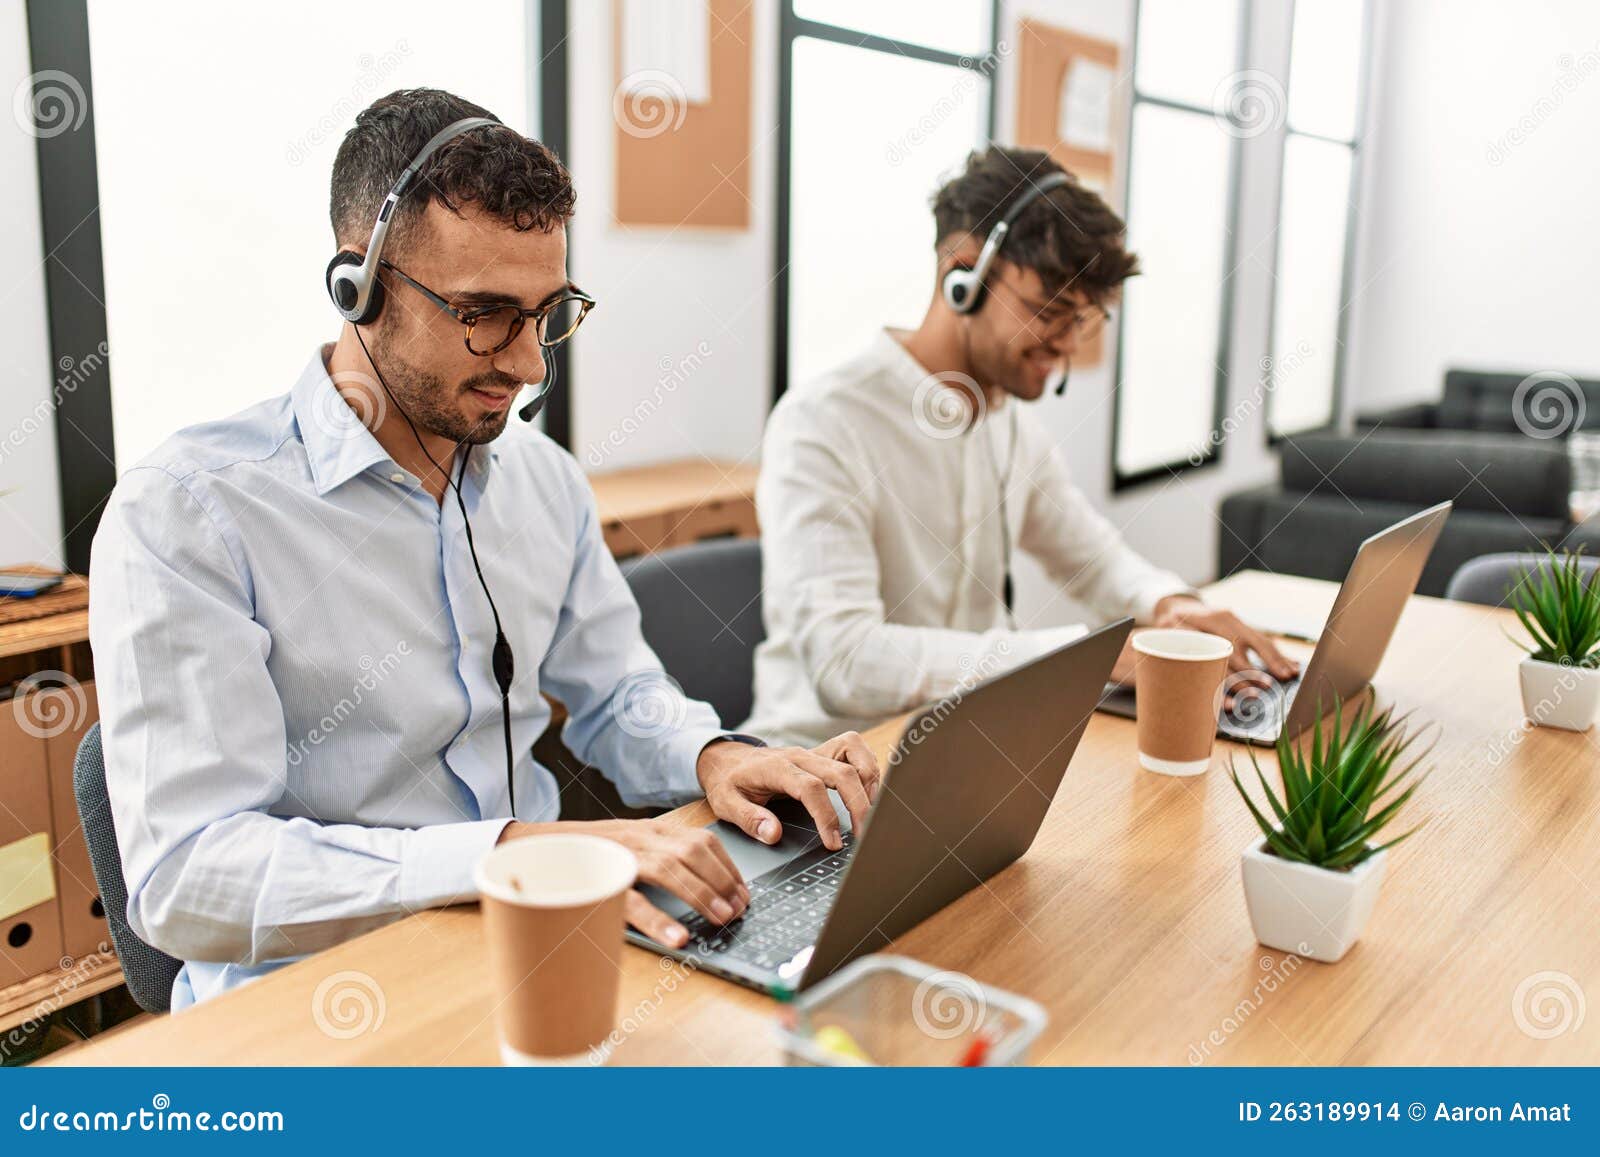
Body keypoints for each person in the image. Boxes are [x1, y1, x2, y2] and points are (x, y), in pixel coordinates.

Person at [87, 89, 878, 1008]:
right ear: (359, 288)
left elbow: (618, 692)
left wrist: (714, 755)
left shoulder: (540, 480)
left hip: (544, 945)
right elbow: (189, 875)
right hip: (318, 1003)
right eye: (485, 313)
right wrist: (507, 855)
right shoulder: (187, 514)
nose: (532, 362)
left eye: (548, 312)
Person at [742, 146, 1296, 747]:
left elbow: (1094, 559)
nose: (1064, 345)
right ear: (963, 275)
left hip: (960, 749)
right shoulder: (823, 423)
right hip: (814, 774)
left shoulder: (1006, 422)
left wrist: (1171, 606)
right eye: (1047, 312)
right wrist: (1088, 657)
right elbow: (844, 663)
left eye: (1081, 320)